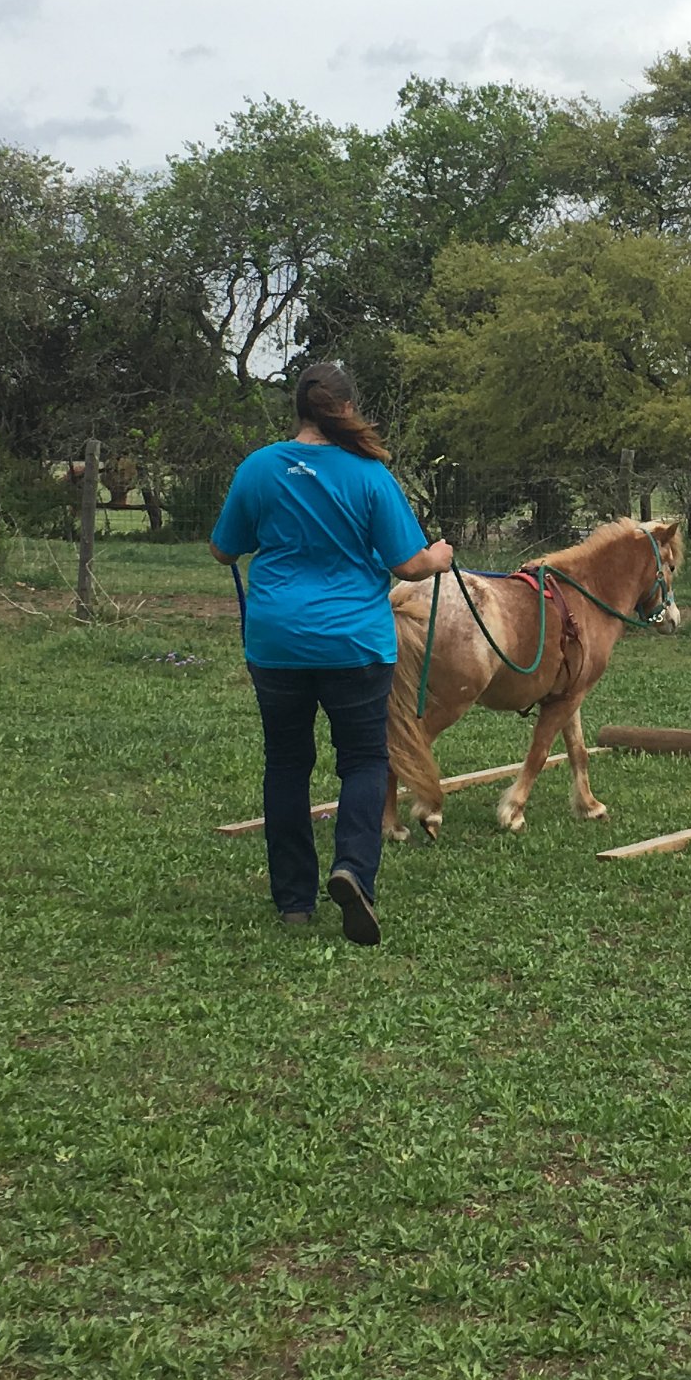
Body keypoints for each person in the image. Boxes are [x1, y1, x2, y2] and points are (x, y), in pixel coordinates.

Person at [209, 361, 453, 944]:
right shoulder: (369, 475)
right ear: (346, 408)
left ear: (298, 407)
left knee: (287, 763)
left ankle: (294, 899)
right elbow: (407, 563)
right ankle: (353, 873)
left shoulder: (258, 468)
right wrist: (439, 556)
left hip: (277, 642)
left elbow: (224, 550)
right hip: (355, 644)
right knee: (364, 760)